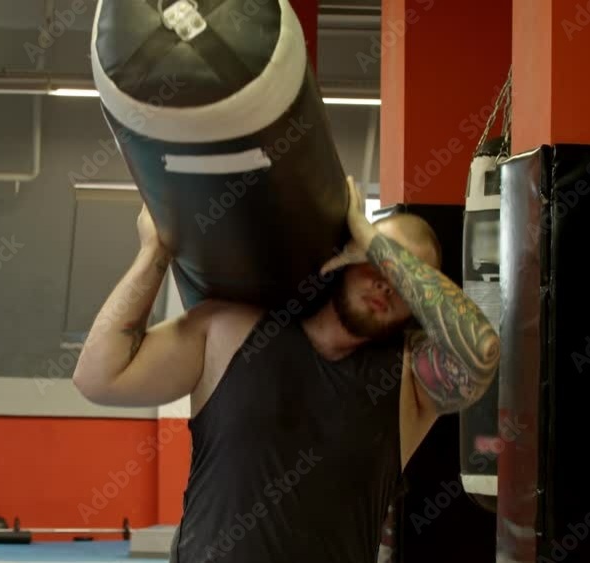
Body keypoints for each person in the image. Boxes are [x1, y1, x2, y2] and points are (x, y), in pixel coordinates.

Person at [72, 176, 501, 562]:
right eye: (373, 263)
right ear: (345, 257)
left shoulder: (409, 381)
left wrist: (373, 241)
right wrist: (154, 252)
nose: (385, 283)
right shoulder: (229, 329)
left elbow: (482, 350)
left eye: (402, 274)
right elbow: (99, 378)